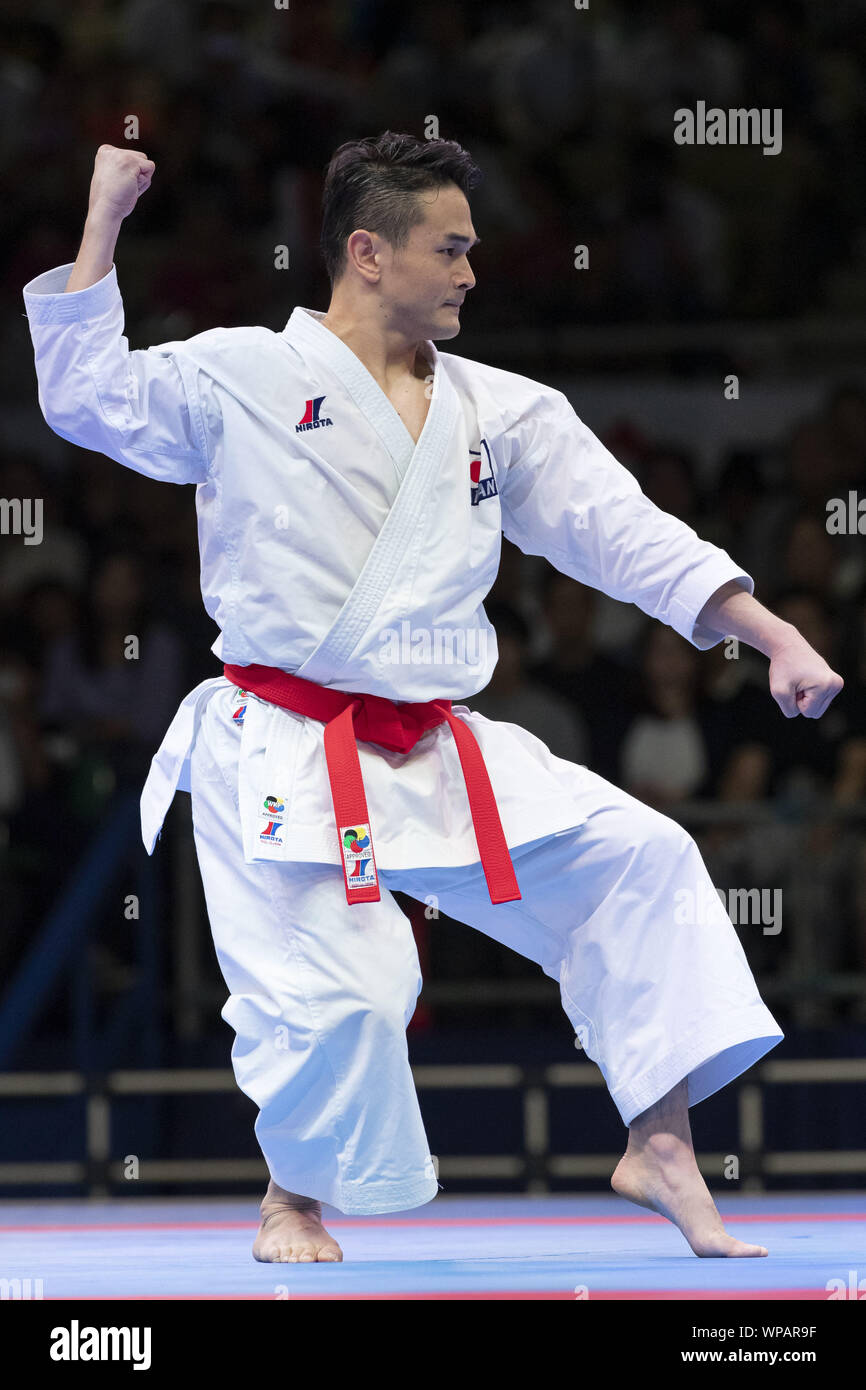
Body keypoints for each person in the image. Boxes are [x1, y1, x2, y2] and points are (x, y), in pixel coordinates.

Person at [23, 135, 844, 1264]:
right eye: (448, 249)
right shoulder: (240, 377)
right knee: (352, 999)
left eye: (470, 250)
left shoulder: (499, 410)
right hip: (287, 745)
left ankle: (657, 1140)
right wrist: (106, 213)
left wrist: (769, 631)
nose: (468, 272)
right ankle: (289, 1199)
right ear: (366, 252)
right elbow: (83, 397)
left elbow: (624, 534)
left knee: (640, 858)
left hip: (439, 743)